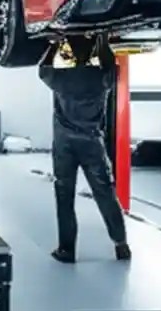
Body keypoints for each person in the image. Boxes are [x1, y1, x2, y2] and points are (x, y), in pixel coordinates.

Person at [37, 35, 131, 263]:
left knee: (64, 197)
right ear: (92, 52)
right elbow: (110, 64)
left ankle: (67, 250)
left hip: (64, 146)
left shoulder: (61, 78)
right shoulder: (100, 77)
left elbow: (43, 69)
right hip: (92, 144)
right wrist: (102, 40)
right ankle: (121, 245)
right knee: (105, 194)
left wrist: (54, 44)